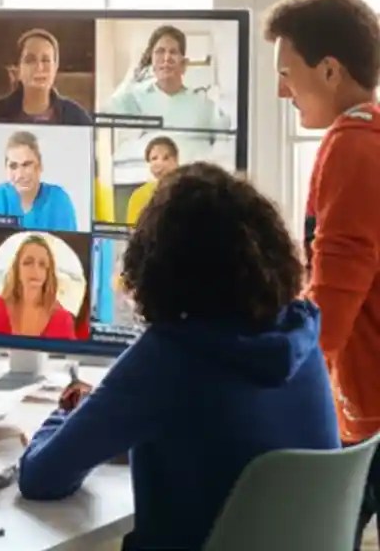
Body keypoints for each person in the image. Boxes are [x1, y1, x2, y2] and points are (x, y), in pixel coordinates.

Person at [17, 163, 339, 551]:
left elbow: (42, 477)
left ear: (160, 265)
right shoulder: (300, 335)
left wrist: (69, 411)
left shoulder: (170, 357)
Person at [264, 0, 380, 548]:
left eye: (288, 72)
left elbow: (329, 314)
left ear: (330, 69)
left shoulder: (352, 146)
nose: (281, 89)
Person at [106, 24, 230, 131]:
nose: (166, 58)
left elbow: (224, 134)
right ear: (151, 61)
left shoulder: (202, 103)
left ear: (183, 64)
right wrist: (136, 67)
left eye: (173, 52)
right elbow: (110, 110)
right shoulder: (135, 98)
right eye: (160, 51)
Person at [0, 29, 92, 124]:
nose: (39, 67)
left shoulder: (76, 117)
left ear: (56, 67)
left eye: (46, 60)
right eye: (30, 60)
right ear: (18, 68)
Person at [0, 235, 77, 340]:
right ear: (17, 270)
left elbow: (72, 355)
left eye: (42, 265)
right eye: (28, 262)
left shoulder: (63, 319)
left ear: (48, 273)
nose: (35, 270)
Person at [0, 130, 77, 231]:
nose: (20, 174)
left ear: (40, 166)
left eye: (27, 164)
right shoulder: (0, 196)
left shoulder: (58, 199)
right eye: (13, 166)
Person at [124, 135, 179, 225]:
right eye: (154, 158)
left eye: (166, 158)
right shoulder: (139, 195)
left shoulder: (190, 191)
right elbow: (133, 229)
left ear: (176, 160)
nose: (159, 163)